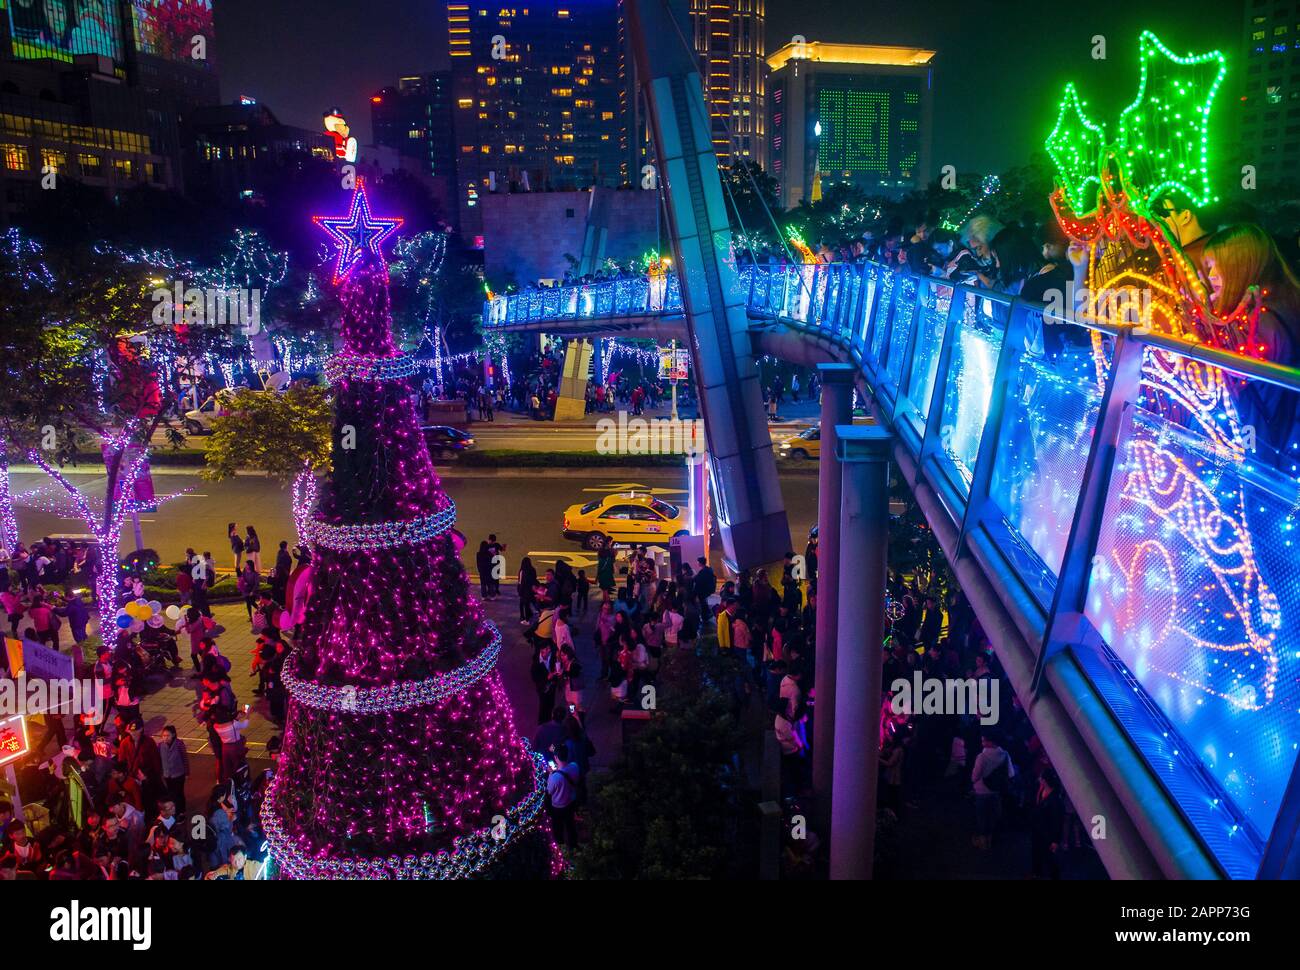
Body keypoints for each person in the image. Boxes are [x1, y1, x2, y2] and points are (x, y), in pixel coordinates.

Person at [971, 732, 1014, 850]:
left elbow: (975, 776)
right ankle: (990, 839)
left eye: (983, 740)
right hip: (997, 791)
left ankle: (983, 842)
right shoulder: (1005, 754)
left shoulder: (982, 757)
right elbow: (1011, 774)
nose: (982, 742)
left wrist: (974, 782)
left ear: (990, 742)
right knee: (992, 817)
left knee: (982, 817)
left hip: (981, 791)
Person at [1030, 767, 1066, 879]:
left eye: (1041, 777)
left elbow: (1058, 821)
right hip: (1039, 832)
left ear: (1045, 780)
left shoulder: (1055, 800)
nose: (1039, 778)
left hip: (1048, 835)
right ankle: (1037, 873)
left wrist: (1055, 840)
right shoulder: (1042, 790)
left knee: (1050, 860)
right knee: (1037, 854)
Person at [545, 753, 581, 849]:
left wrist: (550, 774)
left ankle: (560, 845)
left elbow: (549, 791)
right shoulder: (574, 766)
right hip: (571, 802)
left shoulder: (555, 777)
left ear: (556, 758)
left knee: (558, 827)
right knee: (570, 825)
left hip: (558, 806)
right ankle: (573, 845)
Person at [157, 725, 189, 813]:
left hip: (178, 774)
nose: (165, 738)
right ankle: (173, 810)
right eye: (164, 736)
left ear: (173, 735)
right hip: (167, 775)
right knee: (171, 793)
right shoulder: (160, 746)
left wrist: (187, 773)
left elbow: (184, 758)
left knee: (179, 793)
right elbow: (159, 760)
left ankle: (181, 811)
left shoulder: (179, 744)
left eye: (168, 735)